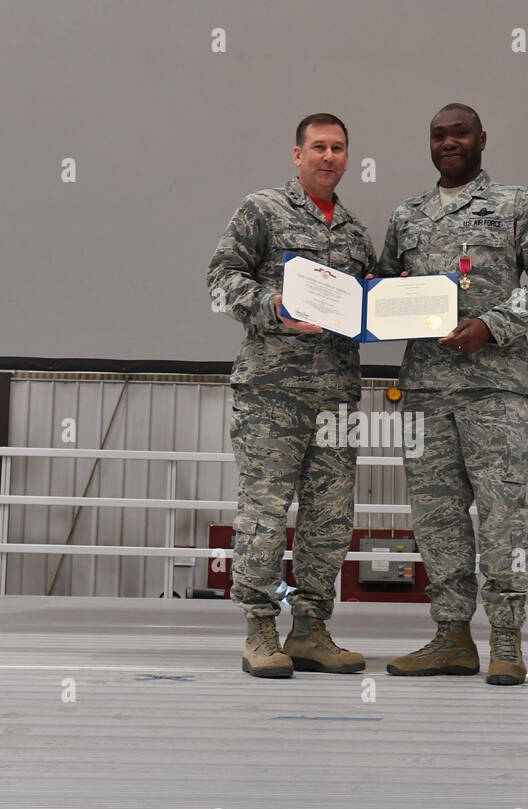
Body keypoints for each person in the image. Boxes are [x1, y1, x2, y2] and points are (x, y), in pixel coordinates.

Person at [377, 103, 528, 686]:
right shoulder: (407, 216)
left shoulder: (517, 205)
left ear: (482, 138)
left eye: (459, 133)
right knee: (436, 521)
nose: (448, 143)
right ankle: (451, 638)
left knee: (501, 517)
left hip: (494, 390)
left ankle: (507, 641)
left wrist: (494, 324)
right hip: (426, 392)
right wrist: (383, 298)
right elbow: (384, 291)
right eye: (438, 135)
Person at [206, 113, 375, 678]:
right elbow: (222, 277)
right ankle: (259, 629)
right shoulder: (262, 210)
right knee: (265, 511)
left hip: (337, 396)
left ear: (348, 158)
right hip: (271, 393)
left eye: (339, 148)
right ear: (297, 155)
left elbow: (366, 307)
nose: (329, 156)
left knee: (330, 517)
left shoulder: (355, 233)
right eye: (319, 147)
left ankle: (310, 629)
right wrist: (273, 305)